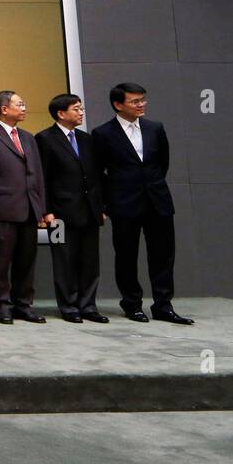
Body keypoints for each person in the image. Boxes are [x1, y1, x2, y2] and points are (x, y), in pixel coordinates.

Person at [91, 82, 193, 325]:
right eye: (135, 101)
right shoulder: (102, 133)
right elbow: (98, 172)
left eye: (143, 100)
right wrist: (107, 202)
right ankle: (132, 304)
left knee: (163, 255)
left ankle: (163, 305)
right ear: (118, 104)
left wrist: (152, 185)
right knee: (126, 256)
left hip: (158, 201)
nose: (141, 105)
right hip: (124, 203)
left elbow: (162, 163)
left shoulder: (155, 128)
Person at [0, 91, 53, 324]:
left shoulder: (28, 137)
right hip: (2, 210)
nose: (24, 108)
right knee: (1, 261)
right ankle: (1, 304)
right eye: (20, 104)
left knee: (27, 260)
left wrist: (42, 208)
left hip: (29, 209)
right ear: (4, 109)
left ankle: (23, 304)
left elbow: (37, 174)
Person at [37, 93, 108, 324]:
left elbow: (97, 176)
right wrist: (46, 210)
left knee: (89, 261)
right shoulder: (45, 139)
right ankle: (68, 306)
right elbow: (42, 178)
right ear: (61, 113)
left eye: (81, 108)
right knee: (64, 260)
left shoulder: (87, 140)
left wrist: (102, 206)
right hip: (59, 215)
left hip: (89, 211)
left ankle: (88, 305)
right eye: (76, 109)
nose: (81, 112)